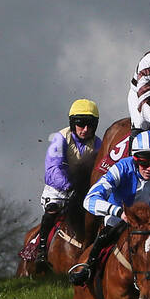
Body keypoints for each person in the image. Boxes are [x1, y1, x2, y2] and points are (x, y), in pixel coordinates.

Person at [68, 131, 150, 297]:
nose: (149, 168)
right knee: (106, 233)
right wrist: (117, 211)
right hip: (123, 218)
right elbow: (90, 199)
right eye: (144, 163)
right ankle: (88, 268)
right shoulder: (121, 168)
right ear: (135, 159)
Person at [34, 99, 102, 271]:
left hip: (85, 191)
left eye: (90, 125)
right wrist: (70, 186)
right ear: (73, 123)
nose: (85, 129)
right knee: (52, 208)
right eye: (80, 124)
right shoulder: (59, 139)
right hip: (59, 189)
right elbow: (52, 169)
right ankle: (41, 250)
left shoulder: (99, 144)